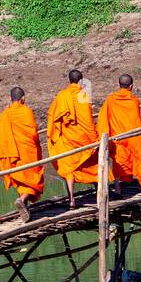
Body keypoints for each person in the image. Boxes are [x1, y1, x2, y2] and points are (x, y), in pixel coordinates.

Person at [97, 74, 141, 195]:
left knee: (119, 161)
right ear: (131, 86)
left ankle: (118, 189)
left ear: (119, 85)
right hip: (134, 136)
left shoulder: (110, 100)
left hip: (118, 136)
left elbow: (103, 119)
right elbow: (136, 120)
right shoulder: (134, 101)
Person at [47, 69, 99, 208]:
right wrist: (94, 139)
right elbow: (88, 120)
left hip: (68, 138)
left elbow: (53, 115)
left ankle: (71, 199)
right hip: (82, 137)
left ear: (69, 81)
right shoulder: (82, 95)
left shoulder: (61, 96)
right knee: (92, 160)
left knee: (68, 165)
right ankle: (99, 192)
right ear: (81, 81)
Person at [0, 86, 45, 220]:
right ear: (23, 98)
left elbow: (1, 137)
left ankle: (25, 210)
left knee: (21, 179)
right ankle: (22, 200)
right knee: (34, 178)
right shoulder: (26, 111)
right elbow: (33, 133)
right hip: (27, 152)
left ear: (10, 99)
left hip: (12, 154)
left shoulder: (5, 114)